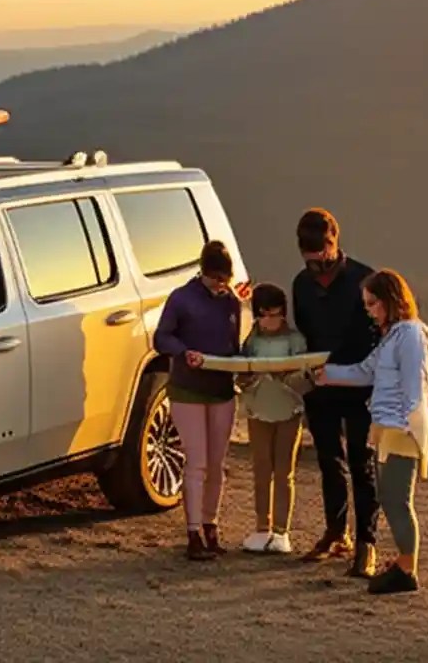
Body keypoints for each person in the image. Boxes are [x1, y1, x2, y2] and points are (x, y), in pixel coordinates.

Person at [313, 269, 428, 594]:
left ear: (390, 300)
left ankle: (407, 569)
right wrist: (326, 375)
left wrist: (407, 424)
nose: (369, 309)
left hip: (400, 429)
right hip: (386, 427)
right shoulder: (393, 336)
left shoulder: (408, 335)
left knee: (397, 501)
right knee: (391, 498)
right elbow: (365, 371)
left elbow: (413, 385)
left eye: (372, 303)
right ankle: (404, 563)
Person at [291, 208, 382, 577]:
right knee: (329, 461)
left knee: (362, 465)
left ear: (334, 243)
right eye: (309, 259)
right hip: (321, 388)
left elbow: (379, 334)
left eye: (322, 256)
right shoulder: (301, 284)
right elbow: (304, 332)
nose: (317, 265)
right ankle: (336, 531)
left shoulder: (365, 279)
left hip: (361, 387)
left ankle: (367, 543)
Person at [153, 240, 249, 561]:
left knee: (217, 465)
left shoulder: (231, 302)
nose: (221, 286)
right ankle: (193, 530)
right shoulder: (181, 298)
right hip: (188, 389)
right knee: (197, 462)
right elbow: (162, 337)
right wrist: (184, 353)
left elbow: (232, 346)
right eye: (215, 279)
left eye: (225, 280)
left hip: (221, 389)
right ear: (204, 272)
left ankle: (211, 524)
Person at [236, 283, 310, 555]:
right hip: (258, 409)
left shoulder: (295, 340)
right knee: (260, 470)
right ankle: (261, 527)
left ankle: (281, 531)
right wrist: (247, 377)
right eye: (264, 315)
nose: (270, 321)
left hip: (288, 411)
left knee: (284, 472)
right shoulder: (251, 341)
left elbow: (307, 378)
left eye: (276, 315)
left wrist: (286, 376)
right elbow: (240, 374)